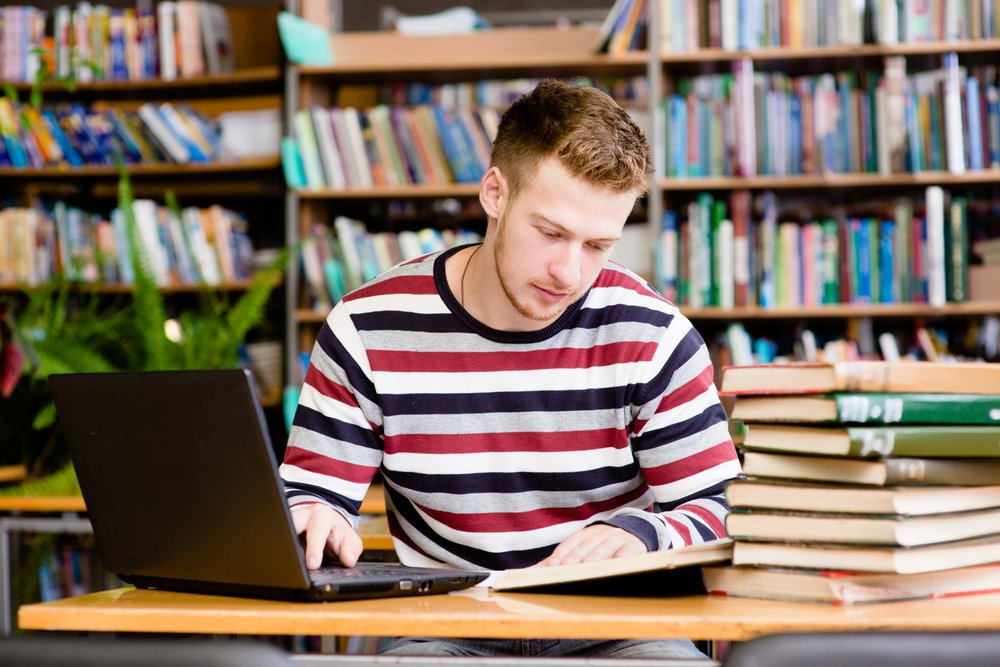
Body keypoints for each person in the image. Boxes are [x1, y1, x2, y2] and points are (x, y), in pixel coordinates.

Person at [280, 79, 742, 659]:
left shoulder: (650, 334)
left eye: (599, 245)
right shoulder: (368, 326)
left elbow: (725, 506)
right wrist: (313, 516)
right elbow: (309, 496)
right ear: (495, 193)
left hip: (623, 627)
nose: (569, 273)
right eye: (550, 233)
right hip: (446, 629)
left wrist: (642, 533)